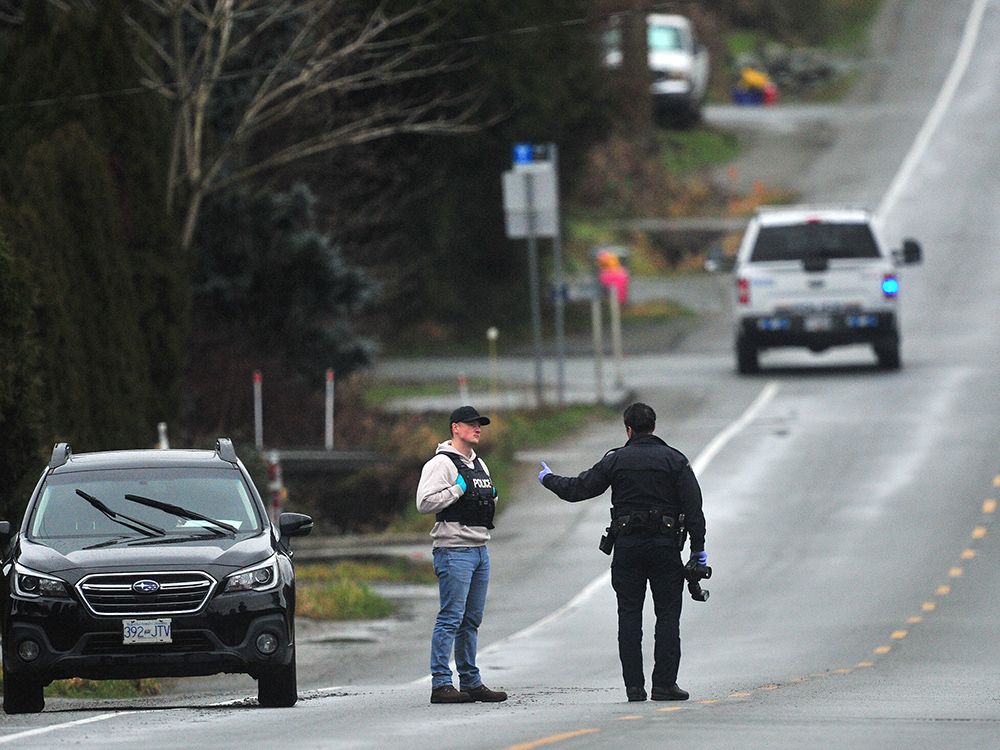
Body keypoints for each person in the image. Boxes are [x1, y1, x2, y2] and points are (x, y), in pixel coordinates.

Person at [537, 402, 707, 703]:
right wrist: (698, 550)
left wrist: (548, 479)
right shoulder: (674, 460)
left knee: (629, 615)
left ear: (628, 429)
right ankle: (665, 685)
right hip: (665, 548)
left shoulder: (616, 460)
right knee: (667, 615)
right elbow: (694, 509)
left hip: (627, 549)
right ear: (654, 426)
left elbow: (578, 489)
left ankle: (634, 688)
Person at [416, 405, 508, 705]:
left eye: (480, 424)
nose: (478, 428)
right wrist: (457, 490)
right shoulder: (441, 463)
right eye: (471, 424)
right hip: (454, 550)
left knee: (471, 620)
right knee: (451, 617)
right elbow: (424, 502)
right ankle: (441, 683)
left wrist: (490, 495)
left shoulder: (479, 463)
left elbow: (486, 496)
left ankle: (470, 681)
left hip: (480, 549)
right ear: (456, 428)